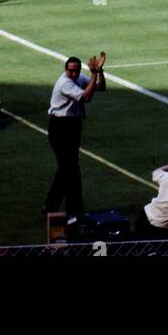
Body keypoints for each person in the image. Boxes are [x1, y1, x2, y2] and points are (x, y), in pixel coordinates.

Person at [43, 53, 106, 223]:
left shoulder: (78, 78)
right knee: (69, 169)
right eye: (71, 71)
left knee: (69, 168)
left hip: (72, 126)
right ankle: (65, 207)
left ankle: (64, 206)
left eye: (76, 71)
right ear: (66, 70)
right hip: (61, 127)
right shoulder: (65, 83)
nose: (74, 74)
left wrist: (100, 71)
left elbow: (100, 88)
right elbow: (86, 96)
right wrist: (93, 74)